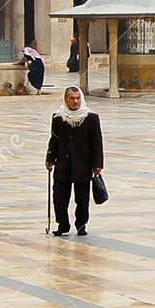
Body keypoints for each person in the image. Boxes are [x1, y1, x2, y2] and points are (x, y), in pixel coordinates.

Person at [46, 85, 104, 237]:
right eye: (71, 98)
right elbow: (54, 139)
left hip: (83, 165)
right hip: (63, 165)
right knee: (59, 198)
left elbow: (97, 142)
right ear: (66, 100)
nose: (75, 101)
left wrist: (97, 165)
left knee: (82, 199)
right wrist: (50, 158)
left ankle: (81, 225)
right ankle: (63, 224)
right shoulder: (58, 118)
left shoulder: (91, 117)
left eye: (77, 98)